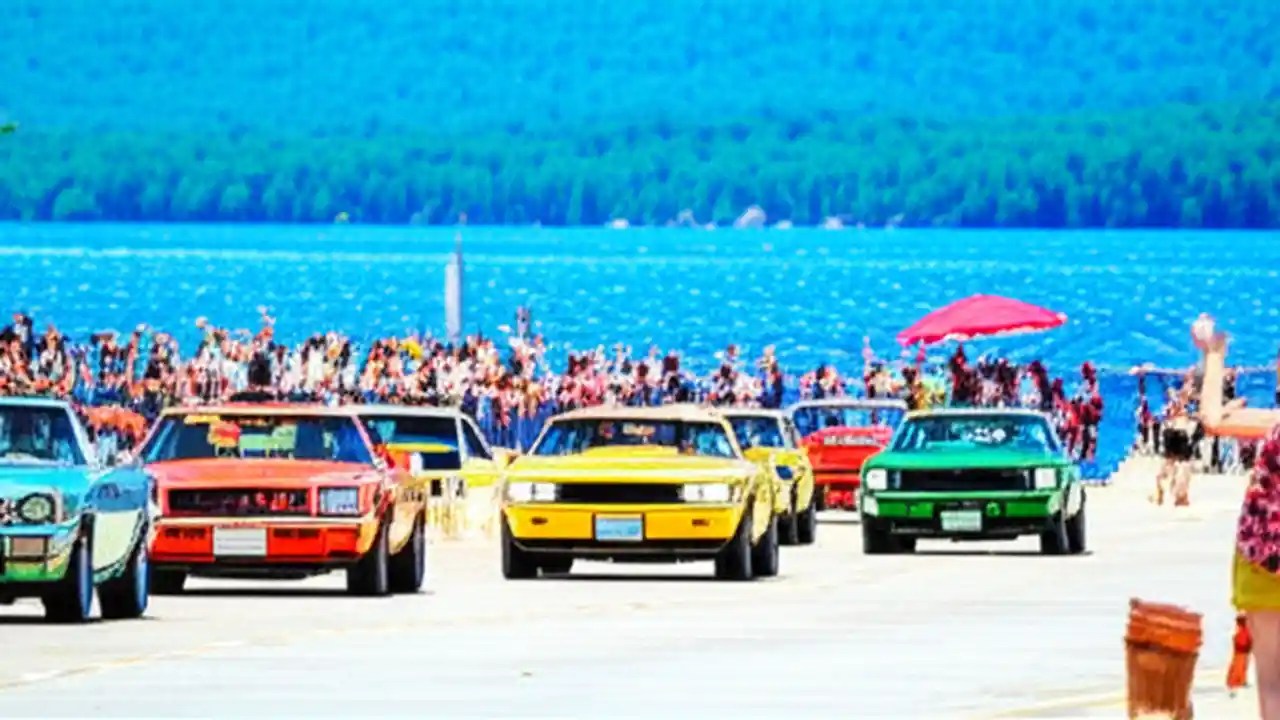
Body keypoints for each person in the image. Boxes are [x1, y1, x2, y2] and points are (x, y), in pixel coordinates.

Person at [1191, 315, 1280, 719]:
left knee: (1272, 683)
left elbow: (1212, 420)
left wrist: (1214, 355)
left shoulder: (1273, 425)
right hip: (1260, 562)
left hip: (1263, 561)